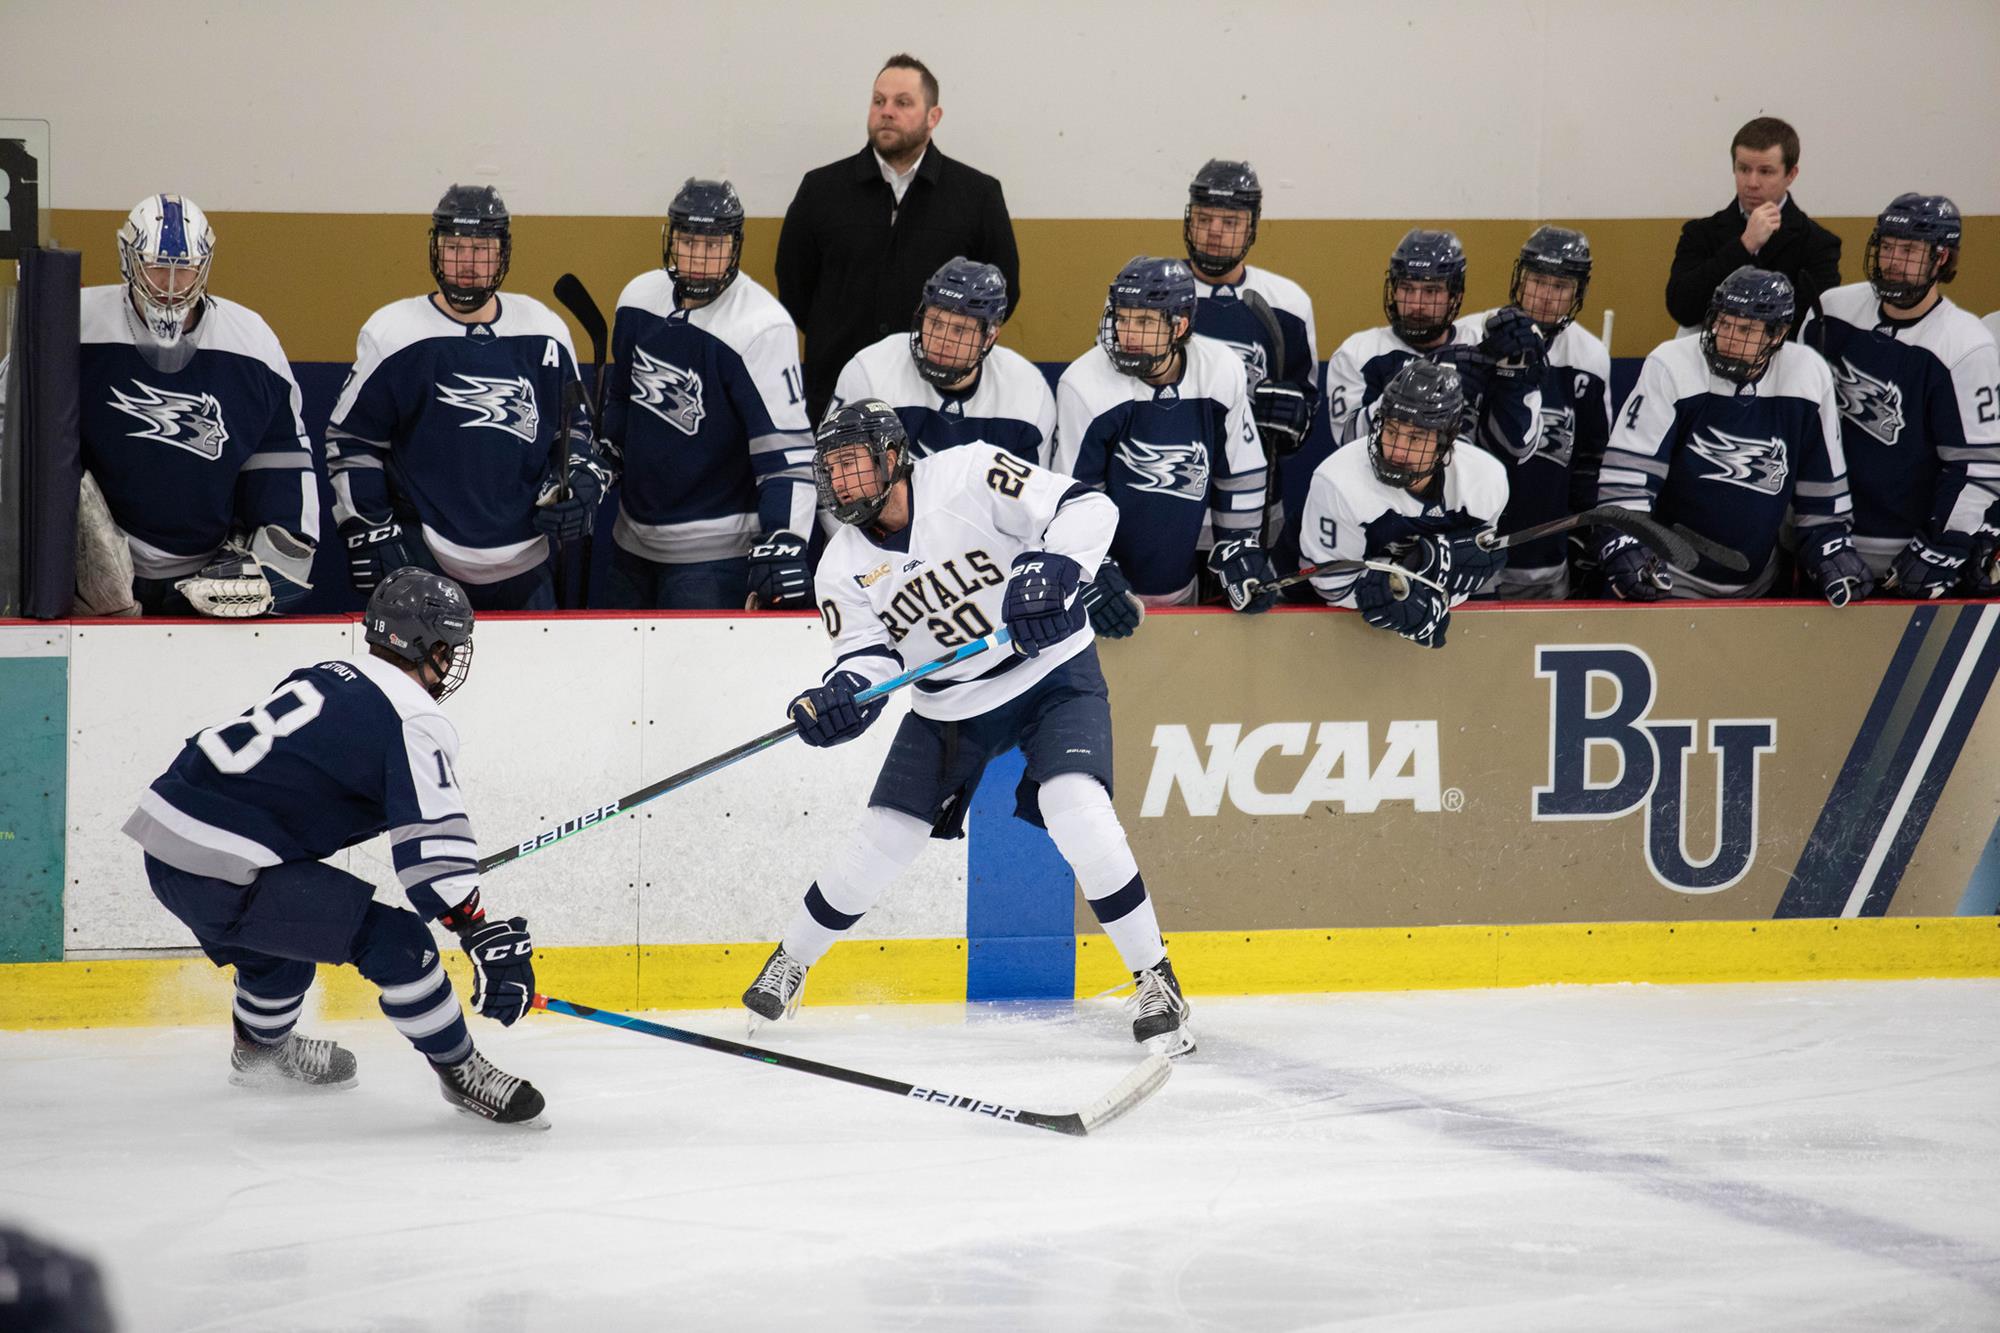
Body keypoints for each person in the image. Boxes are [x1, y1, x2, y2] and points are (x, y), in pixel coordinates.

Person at [739, 402, 1194, 1057]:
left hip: (1050, 672)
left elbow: (1087, 508)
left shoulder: (969, 474)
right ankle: (791, 960)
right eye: (832, 469)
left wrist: (1055, 567)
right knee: (883, 838)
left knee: (1076, 808)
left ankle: (1157, 978)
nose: (842, 482)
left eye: (854, 464)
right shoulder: (840, 565)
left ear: (893, 456)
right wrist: (843, 697)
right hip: (949, 704)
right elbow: (871, 658)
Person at [119, 569, 547, 1126]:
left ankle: (260, 1053)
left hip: (167, 850)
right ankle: (463, 1070)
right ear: (430, 645)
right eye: (450, 646)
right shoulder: (414, 717)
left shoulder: (326, 673)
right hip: (226, 871)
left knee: (278, 955)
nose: (452, 659)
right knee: (401, 944)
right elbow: (433, 850)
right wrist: (473, 925)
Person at [325, 185, 603, 612]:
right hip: (427, 559)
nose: (468, 263)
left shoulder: (545, 330)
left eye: (481, 248)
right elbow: (352, 442)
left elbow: (572, 432)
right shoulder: (395, 333)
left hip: (528, 565)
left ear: (503, 253)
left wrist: (580, 481)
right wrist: (369, 530)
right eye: (454, 247)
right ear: (435, 250)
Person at [77, 194, 320, 618]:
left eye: (184, 270)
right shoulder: (74, 322)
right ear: (128, 259)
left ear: (204, 266)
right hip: (81, 570)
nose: (170, 286)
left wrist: (273, 562)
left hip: (205, 573)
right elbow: (18, 432)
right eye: (156, 267)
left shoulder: (253, 342)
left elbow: (283, 461)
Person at [598, 178, 816, 610]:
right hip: (630, 543)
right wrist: (601, 459)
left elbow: (788, 456)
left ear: (734, 246)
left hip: (716, 559)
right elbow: (622, 403)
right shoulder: (638, 298)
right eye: (689, 242)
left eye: (713, 245)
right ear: (670, 239)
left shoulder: (761, 327)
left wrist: (786, 537)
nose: (699, 258)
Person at [775, 54, 1021, 420]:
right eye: (878, 101)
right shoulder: (821, 189)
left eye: (902, 102)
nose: (886, 111)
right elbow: (795, 284)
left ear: (933, 117)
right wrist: (837, 334)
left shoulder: (977, 194)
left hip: (933, 398)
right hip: (835, 387)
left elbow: (1003, 292)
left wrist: (948, 349)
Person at [1598, 267, 1861, 603]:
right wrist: (1626, 541)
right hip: (1668, 581)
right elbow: (1627, 481)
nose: (1728, 337)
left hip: (1761, 584)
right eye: (1723, 321)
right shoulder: (1671, 364)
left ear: (1777, 334)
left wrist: (1829, 546)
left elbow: (1822, 495)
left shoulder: (1807, 374)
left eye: (1746, 328)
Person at [1052, 256, 1274, 631]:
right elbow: (1073, 496)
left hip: (1182, 586)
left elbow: (1240, 474)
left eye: (1143, 322)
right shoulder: (1084, 383)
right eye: (1121, 318)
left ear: (1180, 326)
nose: (1126, 333)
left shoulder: (1221, 369)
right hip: (1104, 591)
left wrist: (1239, 544)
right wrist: (1091, 571)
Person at [1802, 194, 2000, 596]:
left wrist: (1941, 543)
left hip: (1908, 545)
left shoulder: (1967, 346)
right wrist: (1809, 530)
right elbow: (1798, 428)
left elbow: (1979, 467)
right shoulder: (1831, 312)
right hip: (1827, 538)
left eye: (1909, 249)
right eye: (1887, 246)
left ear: (1941, 259)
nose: (1892, 260)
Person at [1298, 361, 1508, 648]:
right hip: (1323, 627)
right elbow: (1332, 587)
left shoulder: (1485, 480)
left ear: (1446, 440)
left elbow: (1475, 564)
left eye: (1416, 437)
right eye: (1392, 431)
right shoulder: (1338, 481)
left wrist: (1420, 587)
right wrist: (1413, 587)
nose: (1397, 450)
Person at [1455, 227, 1612, 598]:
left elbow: (1590, 457)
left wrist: (1582, 535)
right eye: (1537, 281)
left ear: (1578, 293)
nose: (1545, 296)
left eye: (1559, 287)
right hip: (1471, 547)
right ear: (1519, 280)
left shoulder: (1589, 356)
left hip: (1546, 551)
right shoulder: (1469, 335)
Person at [1319, 229, 1544, 466]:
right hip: (1384, 495)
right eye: (1407, 289)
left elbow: (1517, 450)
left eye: (1431, 291)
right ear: (1393, 290)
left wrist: (1515, 382)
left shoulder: (1482, 345)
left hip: (1465, 495)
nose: (1417, 303)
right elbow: (1348, 442)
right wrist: (1423, 377)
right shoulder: (1357, 353)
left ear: (1454, 296)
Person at [1181, 159, 1319, 542]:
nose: (1214, 233)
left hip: (1254, 501)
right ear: (1189, 219)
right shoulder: (1152, 293)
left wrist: (1294, 421)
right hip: (1167, 502)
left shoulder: (1288, 303)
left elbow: (1303, 405)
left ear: (1252, 226)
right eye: (1205, 219)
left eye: (1230, 223)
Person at [828, 256, 1054, 465]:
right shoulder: (871, 370)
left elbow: (1035, 501)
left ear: (990, 337)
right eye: (935, 323)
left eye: (960, 330)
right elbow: (835, 478)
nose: (942, 340)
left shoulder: (1028, 391)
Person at [1665, 117, 1841, 337]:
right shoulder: (1700, 233)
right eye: (1744, 169)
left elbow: (1811, 324)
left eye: (1766, 171)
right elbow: (1683, 310)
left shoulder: (1818, 244)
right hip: (1709, 361)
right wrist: (1743, 246)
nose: (1752, 183)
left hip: (1783, 363)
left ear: (1791, 174)